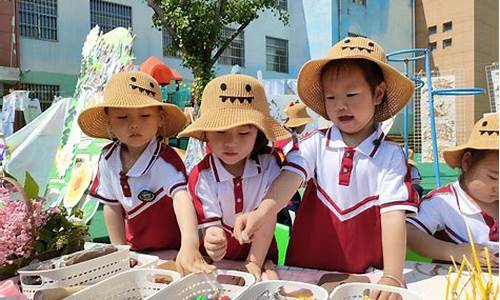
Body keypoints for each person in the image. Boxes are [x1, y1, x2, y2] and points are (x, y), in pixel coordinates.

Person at [233, 37, 418, 298]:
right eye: (331, 97)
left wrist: (392, 276)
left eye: (351, 95)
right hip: (305, 270)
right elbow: (288, 180)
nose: (340, 104)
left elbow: (393, 216)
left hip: (364, 275)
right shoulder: (314, 144)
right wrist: (261, 212)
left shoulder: (390, 156)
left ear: (378, 94)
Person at [79, 71, 214, 275]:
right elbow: (112, 206)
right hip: (137, 252)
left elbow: (182, 198)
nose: (134, 124)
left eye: (144, 115)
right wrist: (120, 251)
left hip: (174, 250)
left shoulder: (165, 159)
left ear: (160, 119)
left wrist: (189, 245)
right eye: (122, 117)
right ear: (109, 122)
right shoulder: (107, 158)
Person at [177, 74, 290, 281]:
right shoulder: (201, 175)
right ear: (205, 133)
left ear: (259, 133)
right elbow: (211, 227)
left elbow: (268, 216)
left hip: (262, 255)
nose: (231, 143)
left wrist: (254, 261)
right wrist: (213, 239)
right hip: (219, 263)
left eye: (244, 132)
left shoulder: (271, 164)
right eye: (220, 132)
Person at [407, 113, 499, 266]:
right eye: (493, 177)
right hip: (456, 285)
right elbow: (409, 233)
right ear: (467, 162)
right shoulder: (442, 202)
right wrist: (455, 252)